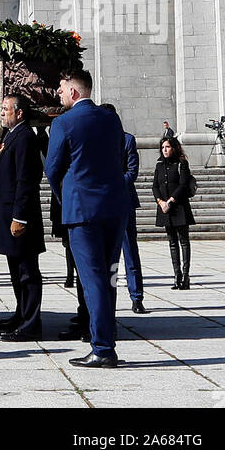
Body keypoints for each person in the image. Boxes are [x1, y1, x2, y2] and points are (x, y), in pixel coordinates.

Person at [45, 70, 127, 368]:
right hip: (114, 207)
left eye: (61, 88)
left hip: (83, 210)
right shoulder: (111, 119)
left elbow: (52, 168)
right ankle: (107, 335)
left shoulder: (63, 122)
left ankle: (102, 347)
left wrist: (65, 196)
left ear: (74, 92)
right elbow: (118, 158)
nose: (58, 93)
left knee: (92, 279)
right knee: (109, 276)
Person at [0, 94, 45, 342]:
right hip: (7, 213)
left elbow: (26, 179)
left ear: (19, 113)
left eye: (6, 109)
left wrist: (20, 216)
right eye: (1, 108)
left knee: (27, 272)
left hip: (21, 217)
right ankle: (21, 314)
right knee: (16, 270)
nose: (1, 113)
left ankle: (31, 323)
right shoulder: (10, 136)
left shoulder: (24, 138)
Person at [103, 104, 145, 313]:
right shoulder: (98, 141)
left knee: (130, 252)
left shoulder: (127, 140)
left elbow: (132, 171)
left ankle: (136, 296)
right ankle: (109, 297)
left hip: (123, 201)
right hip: (103, 204)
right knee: (108, 256)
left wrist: (113, 185)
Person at [153, 135, 196, 289]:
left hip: (179, 207)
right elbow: (155, 186)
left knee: (183, 241)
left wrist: (170, 201)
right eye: (163, 147)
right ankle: (176, 275)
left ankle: (186, 276)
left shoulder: (181, 163)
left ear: (174, 148)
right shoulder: (159, 165)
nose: (165, 150)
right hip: (165, 208)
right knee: (172, 242)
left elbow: (183, 185)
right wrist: (161, 202)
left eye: (168, 147)